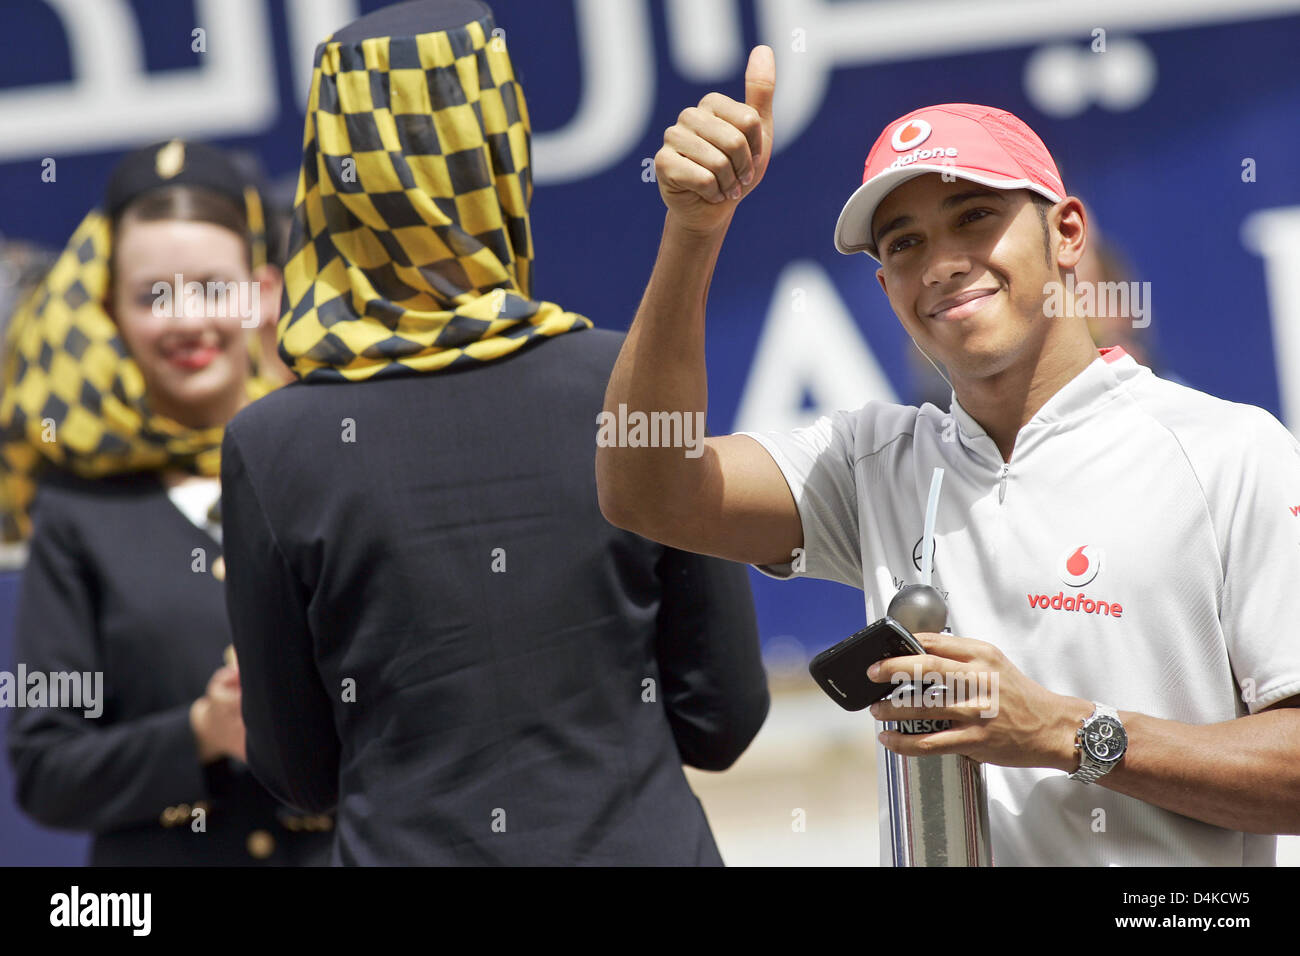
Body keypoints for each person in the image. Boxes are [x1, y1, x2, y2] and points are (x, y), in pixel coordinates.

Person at [596, 48, 1300, 866]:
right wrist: (694, 230)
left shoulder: (1228, 452)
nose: (941, 264)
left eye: (974, 217)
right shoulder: (874, 460)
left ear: (1066, 233)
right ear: (886, 284)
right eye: (904, 244)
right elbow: (648, 488)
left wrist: (1064, 731)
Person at [219, 0, 768, 866]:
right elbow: (724, 717)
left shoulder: (271, 443)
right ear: (502, 148)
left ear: (330, 172)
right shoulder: (622, 379)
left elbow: (299, 772)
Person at [2, 140, 332, 865]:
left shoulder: (330, 459)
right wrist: (201, 734)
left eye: (213, 288)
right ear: (108, 311)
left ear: (263, 293)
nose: (187, 321)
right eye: (154, 295)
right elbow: (46, 771)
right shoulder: (75, 510)